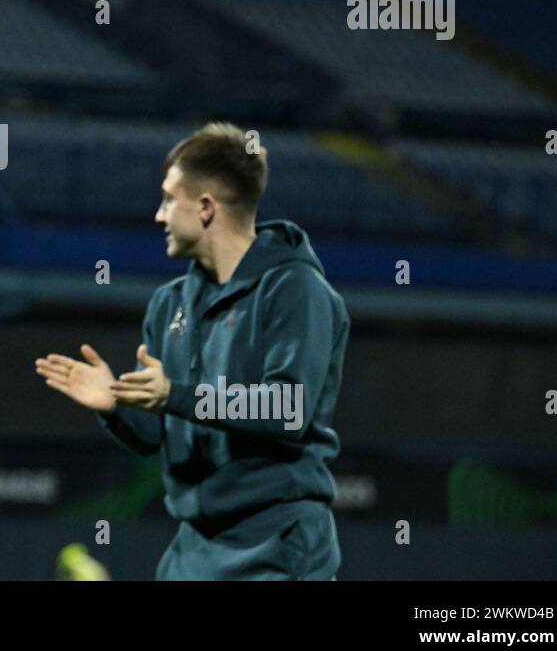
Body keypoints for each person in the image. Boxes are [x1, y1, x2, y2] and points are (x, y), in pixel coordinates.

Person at [35, 123, 348, 580]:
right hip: (192, 552)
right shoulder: (169, 303)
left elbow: (287, 409)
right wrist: (117, 407)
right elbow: (155, 432)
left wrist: (174, 395)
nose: (158, 216)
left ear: (205, 208)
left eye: (167, 199)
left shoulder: (295, 289)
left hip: (276, 550)